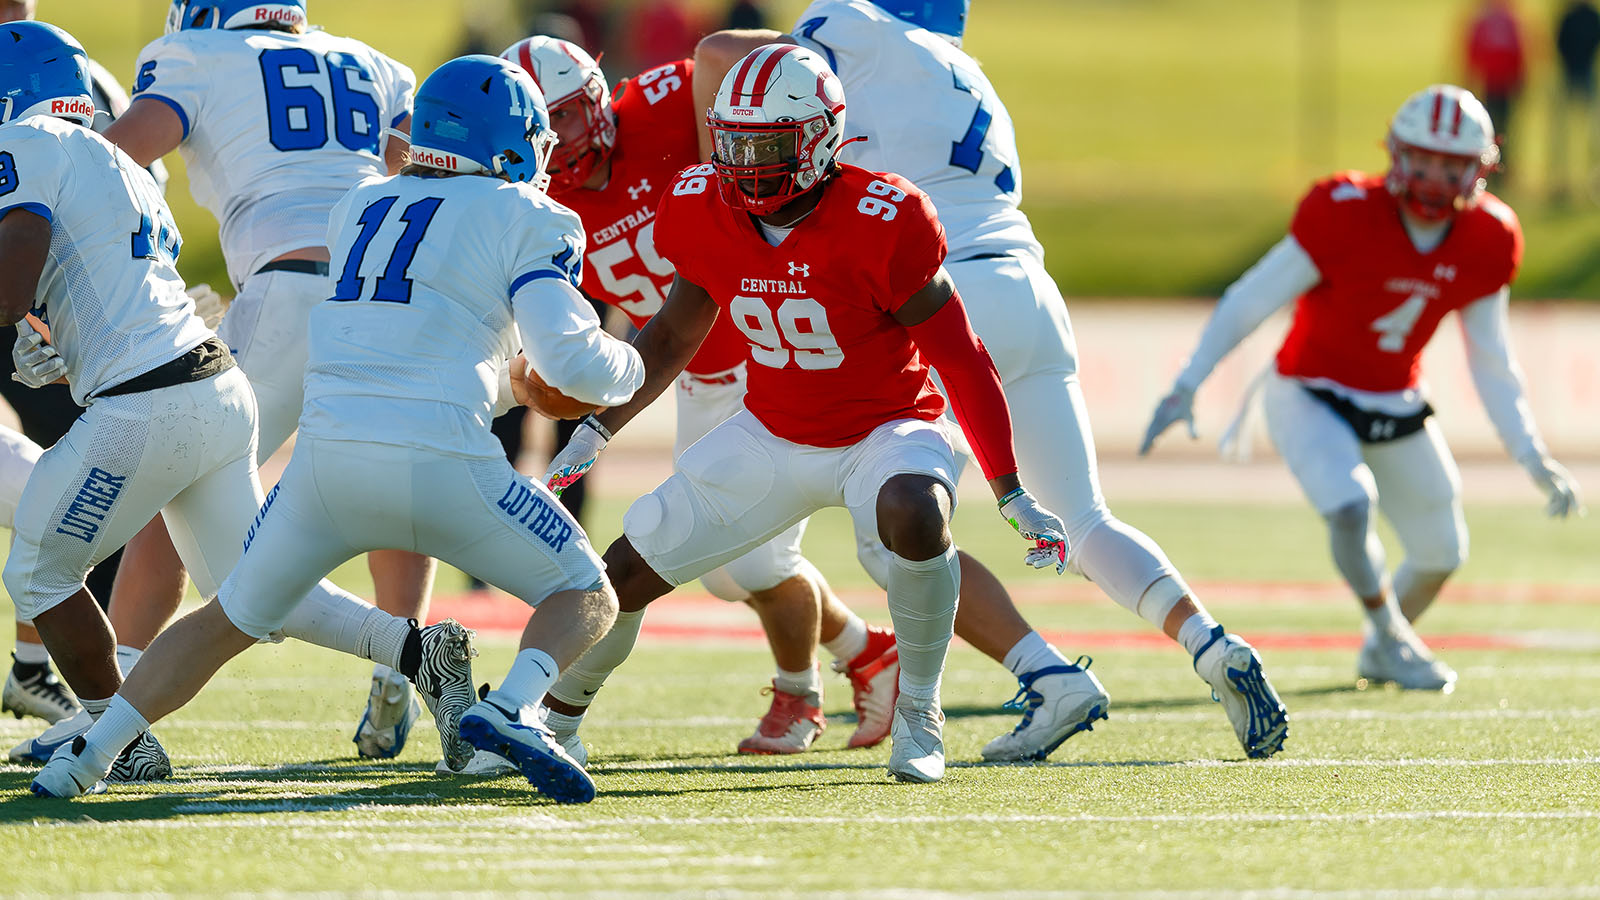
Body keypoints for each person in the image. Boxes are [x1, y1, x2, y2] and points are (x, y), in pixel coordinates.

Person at [34, 54, 642, 803]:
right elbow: (575, 363)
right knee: (588, 591)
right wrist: (632, 369)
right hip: (444, 464)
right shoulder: (533, 213)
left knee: (224, 621)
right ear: (511, 142)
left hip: (323, 469)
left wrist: (503, 383)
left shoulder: (360, 207)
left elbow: (410, 337)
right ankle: (514, 707)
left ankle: (88, 756)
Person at [695, 0, 1289, 761]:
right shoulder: (966, 72)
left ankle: (1047, 677)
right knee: (1083, 519)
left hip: (943, 293)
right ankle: (1211, 644)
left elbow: (720, 53)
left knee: (893, 536)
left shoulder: (858, 28)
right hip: (1028, 286)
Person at [540, 43, 1073, 784]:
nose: (745, 162)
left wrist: (1011, 489)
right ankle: (555, 722)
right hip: (776, 430)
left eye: (766, 144)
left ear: (821, 136)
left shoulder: (885, 215)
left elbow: (962, 356)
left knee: (914, 512)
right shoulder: (701, 202)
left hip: (886, 430)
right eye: (733, 142)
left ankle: (919, 712)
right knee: (628, 564)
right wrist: (597, 428)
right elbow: (669, 336)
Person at [0, 21, 476, 796]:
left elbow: (11, 283)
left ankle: (109, 724)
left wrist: (21, 314)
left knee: (39, 570)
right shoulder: (113, 163)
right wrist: (42, 333)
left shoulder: (29, 141)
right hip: (213, 385)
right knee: (251, 590)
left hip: (150, 399)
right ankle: (418, 651)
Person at [501, 35, 891, 758]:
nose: (566, 144)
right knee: (729, 570)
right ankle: (866, 651)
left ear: (598, 96)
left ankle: (802, 696)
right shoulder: (530, 197)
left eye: (573, 118)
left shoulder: (665, 103)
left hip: (771, 353)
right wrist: (536, 382)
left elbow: (731, 64)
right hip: (699, 373)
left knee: (744, 564)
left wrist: (799, 56)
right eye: (544, 130)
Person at [1142, 85, 1584, 691]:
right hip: (1309, 391)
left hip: (1394, 401)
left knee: (1441, 553)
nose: (1433, 177)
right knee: (1350, 507)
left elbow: (1492, 361)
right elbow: (1253, 297)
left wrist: (1531, 454)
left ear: (1479, 168)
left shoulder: (1489, 236)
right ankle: (1397, 638)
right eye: (1423, 160)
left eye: (1450, 164)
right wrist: (1190, 380)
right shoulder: (1343, 210)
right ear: (1397, 154)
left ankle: (1382, 647)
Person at [97, 0, 436, 763]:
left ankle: (111, 698)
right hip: (390, 298)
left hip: (290, 291)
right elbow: (416, 176)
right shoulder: (372, 63)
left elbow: (109, 161)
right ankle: (396, 668)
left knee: (181, 486)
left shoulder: (194, 55)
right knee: (393, 489)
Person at [0, 0, 177, 726]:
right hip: (153, 350)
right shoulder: (73, 75)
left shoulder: (53, 81)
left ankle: (53, 676)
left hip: (41, 297)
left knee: (74, 493)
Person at [1465, 0, 1525, 176]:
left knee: (1504, 128)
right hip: (1487, 83)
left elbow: (1518, 52)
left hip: (1505, 83)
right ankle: (1487, 168)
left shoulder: (1508, 21)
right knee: (1486, 127)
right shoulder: (1491, 21)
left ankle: (1501, 168)